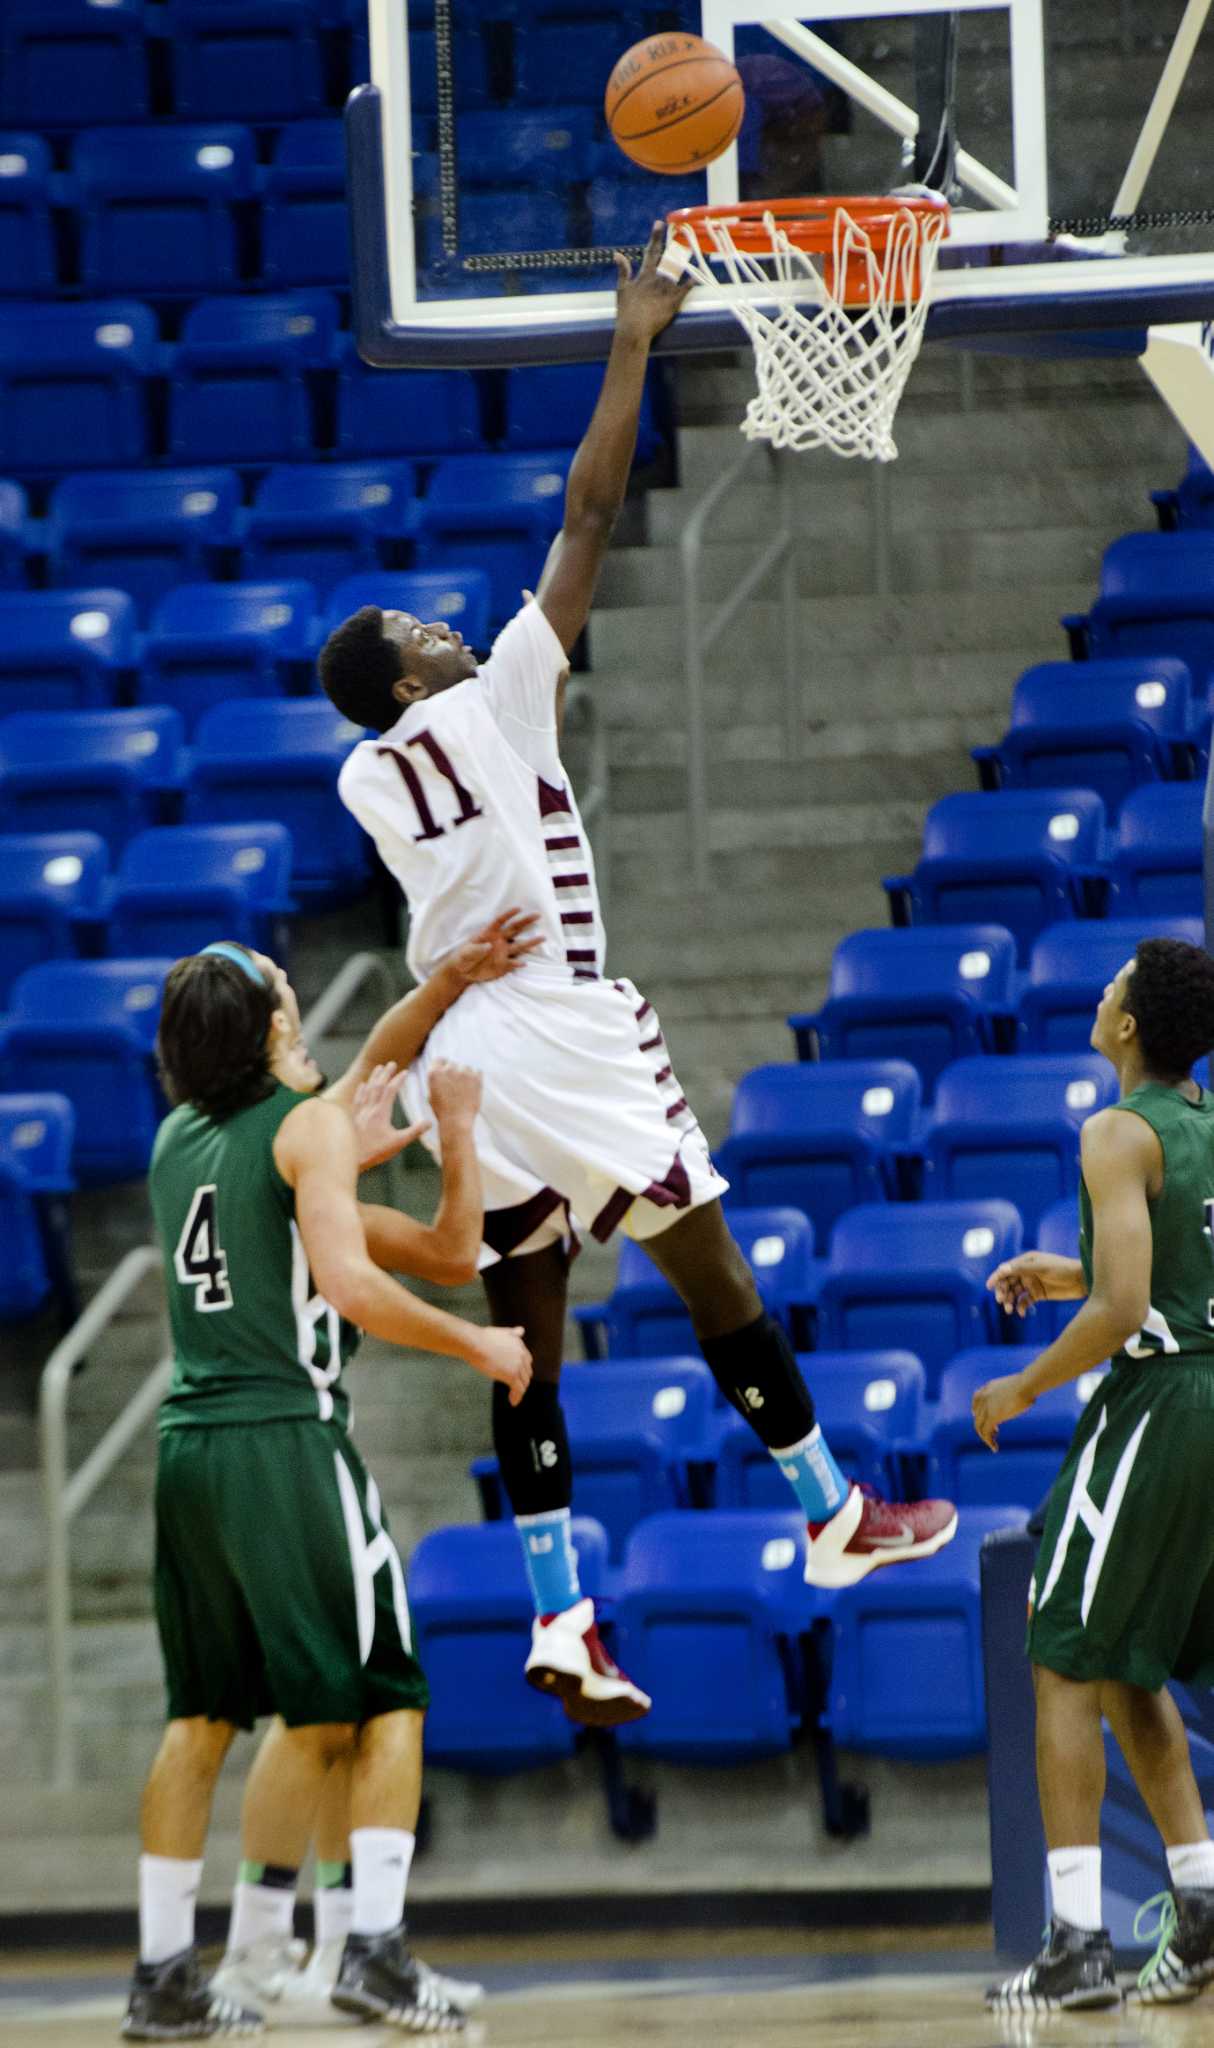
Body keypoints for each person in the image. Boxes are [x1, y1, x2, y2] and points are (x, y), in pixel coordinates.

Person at [318, 222, 957, 1730]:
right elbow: (591, 509)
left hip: (462, 1044)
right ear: (412, 679)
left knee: (527, 1337)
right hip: (553, 1022)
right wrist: (632, 340)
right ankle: (825, 1509)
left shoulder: (360, 781)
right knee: (709, 1266)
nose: (450, 628)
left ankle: (560, 1614)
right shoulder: (499, 700)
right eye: (425, 632)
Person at [122, 919, 536, 2042]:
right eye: (286, 1001)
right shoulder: (300, 1128)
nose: (302, 1009)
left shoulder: (177, 1141)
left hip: (189, 1450)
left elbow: (368, 1081)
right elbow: (350, 1282)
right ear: (267, 1032)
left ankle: (169, 1968)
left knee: (205, 1713)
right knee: (387, 1694)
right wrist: (479, 1346)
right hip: (284, 1438)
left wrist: (446, 981)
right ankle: (375, 1955)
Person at [976, 938, 1214, 2014]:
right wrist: (1071, 1266)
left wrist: (1020, 1385)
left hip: (1156, 1403)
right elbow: (1159, 1267)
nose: (1102, 987)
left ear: (1126, 1024)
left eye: (1115, 979)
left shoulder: (1112, 1130)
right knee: (1128, 1665)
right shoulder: (1201, 1125)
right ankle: (1201, 1905)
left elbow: (1125, 1312)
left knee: (1059, 1653)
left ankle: (1074, 1939)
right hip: (1205, 1399)